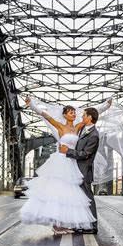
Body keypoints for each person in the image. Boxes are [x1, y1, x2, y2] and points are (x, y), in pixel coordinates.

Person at [20, 98, 104, 235]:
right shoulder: (60, 126)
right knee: (57, 191)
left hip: (72, 162)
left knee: (69, 195)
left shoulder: (79, 127)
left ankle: (63, 223)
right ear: (64, 115)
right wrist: (32, 106)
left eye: (74, 113)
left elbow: (92, 116)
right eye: (70, 112)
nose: (73, 114)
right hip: (61, 162)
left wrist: (105, 106)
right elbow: (45, 115)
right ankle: (56, 224)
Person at [59, 107, 100, 234]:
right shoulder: (83, 129)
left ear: (90, 118)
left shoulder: (94, 135)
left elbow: (85, 154)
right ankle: (82, 224)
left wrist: (68, 151)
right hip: (76, 170)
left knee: (88, 198)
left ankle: (93, 226)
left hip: (84, 171)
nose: (82, 117)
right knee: (80, 199)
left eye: (84, 115)